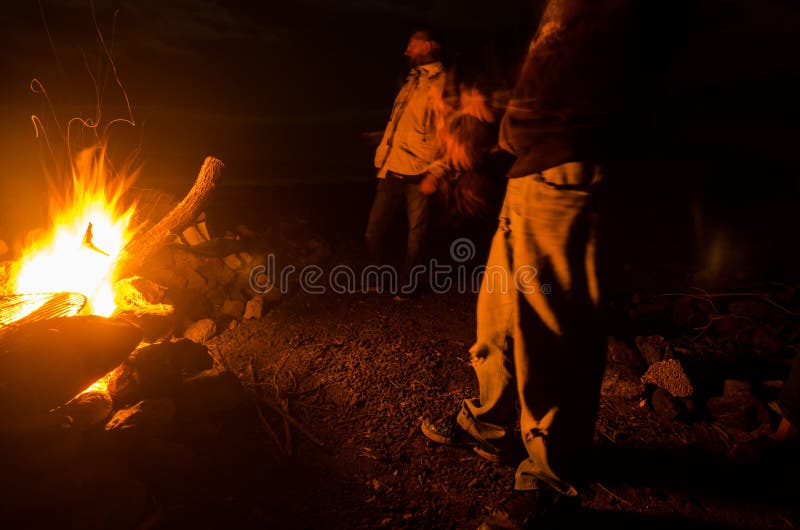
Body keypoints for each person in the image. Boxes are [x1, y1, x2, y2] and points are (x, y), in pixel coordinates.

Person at [420, 1, 647, 527]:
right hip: (530, 173)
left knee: (553, 335)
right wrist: (496, 108)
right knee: (498, 319)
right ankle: (493, 426)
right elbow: (544, 78)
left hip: (570, 170)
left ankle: (553, 480)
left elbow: (596, 79)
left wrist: (512, 123)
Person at [364, 28, 447, 299]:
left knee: (416, 235)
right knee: (373, 231)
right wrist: (382, 141)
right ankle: (375, 279)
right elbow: (406, 124)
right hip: (392, 166)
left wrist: (436, 172)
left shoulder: (442, 83)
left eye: (412, 45)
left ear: (428, 46)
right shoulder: (411, 80)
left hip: (420, 171)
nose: (406, 50)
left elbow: (448, 134)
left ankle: (407, 286)